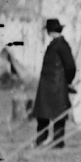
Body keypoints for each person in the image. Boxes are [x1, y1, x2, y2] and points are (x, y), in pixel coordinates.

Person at [33, 18, 76, 147]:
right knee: (43, 116)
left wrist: (66, 82)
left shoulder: (62, 45)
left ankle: (58, 142)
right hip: (49, 86)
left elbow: (71, 67)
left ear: (49, 31)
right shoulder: (55, 44)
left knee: (58, 116)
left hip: (57, 86)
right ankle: (40, 141)